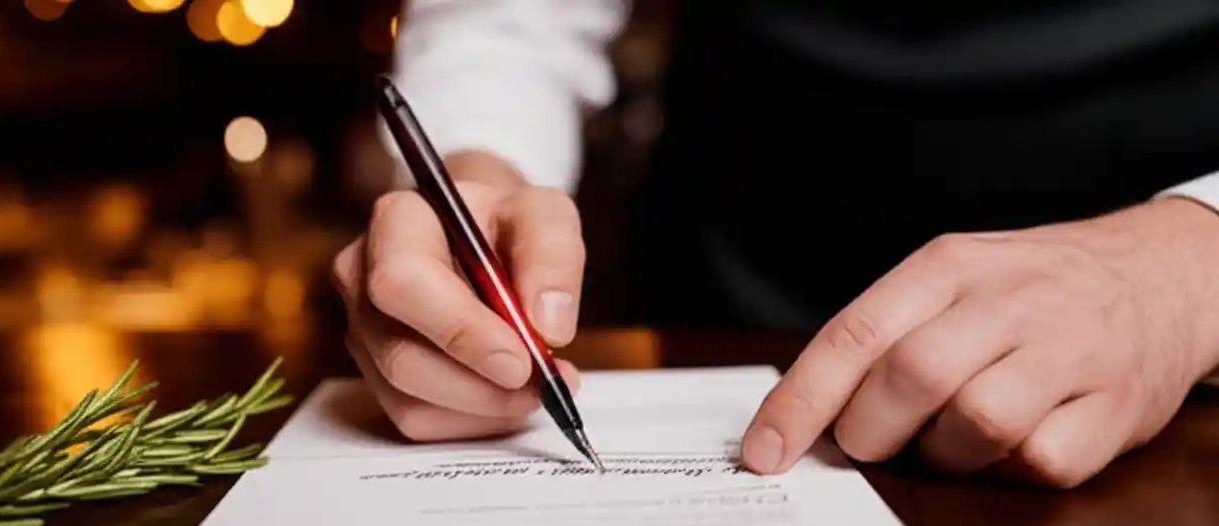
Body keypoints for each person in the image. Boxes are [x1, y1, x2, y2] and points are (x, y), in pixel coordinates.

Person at [333, 0, 1219, 488]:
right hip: (733, 294)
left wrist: (1185, 273)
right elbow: (508, 24)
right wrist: (481, 173)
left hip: (1174, 377)